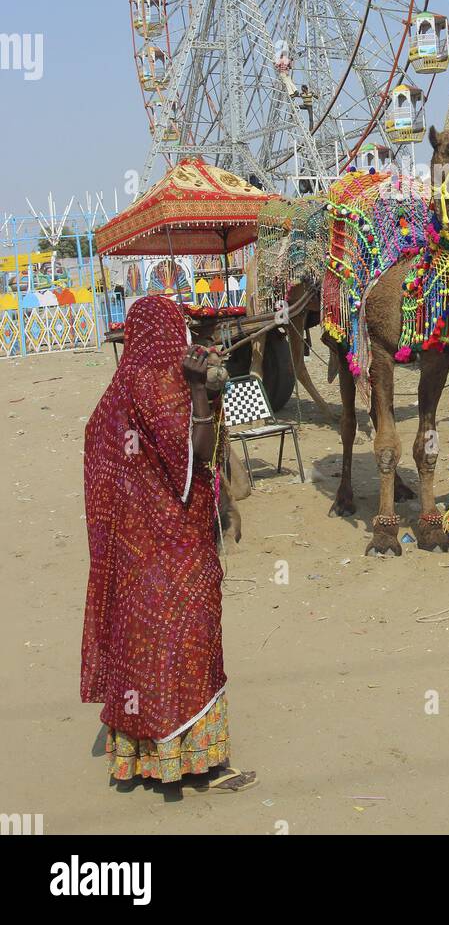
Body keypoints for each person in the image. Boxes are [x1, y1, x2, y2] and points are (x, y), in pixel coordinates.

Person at [80, 295, 255, 792]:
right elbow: (196, 453)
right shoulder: (158, 386)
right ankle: (199, 762)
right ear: (168, 334)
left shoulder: (115, 393)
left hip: (134, 555)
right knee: (188, 640)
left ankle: (139, 759)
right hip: (177, 548)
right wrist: (201, 390)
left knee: (142, 644)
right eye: (180, 330)